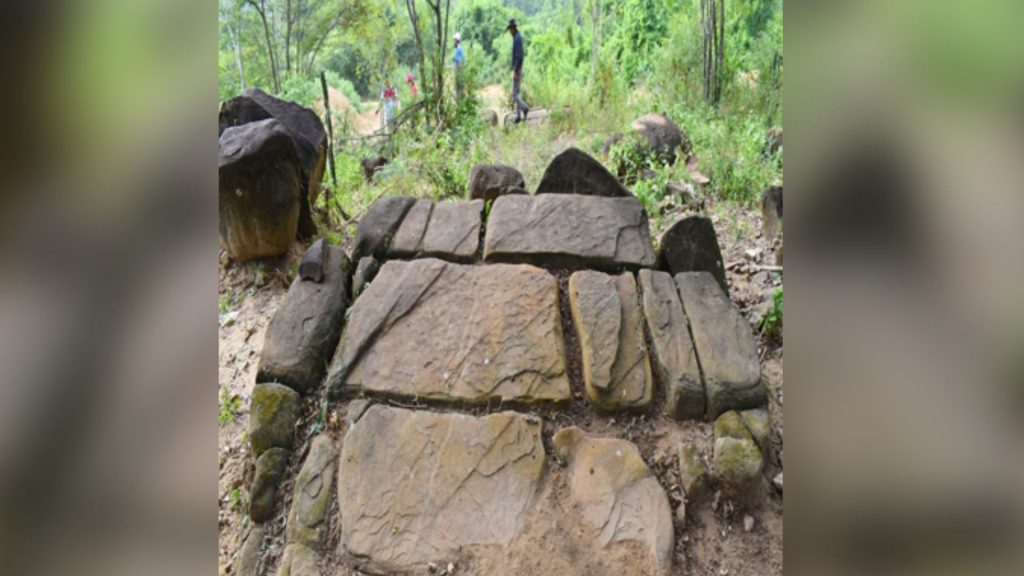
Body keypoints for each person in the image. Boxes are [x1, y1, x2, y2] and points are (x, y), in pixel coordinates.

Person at [506, 19, 529, 123]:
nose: (510, 32)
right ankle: (518, 116)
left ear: (513, 28)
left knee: (514, 94)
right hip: (518, 68)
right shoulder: (517, 38)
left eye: (510, 29)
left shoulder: (517, 39)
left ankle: (524, 108)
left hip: (518, 68)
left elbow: (519, 57)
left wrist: (515, 70)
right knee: (517, 92)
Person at [452, 32, 465, 99]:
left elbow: (458, 62)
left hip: (459, 73)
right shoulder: (458, 49)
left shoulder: (459, 49)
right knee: (459, 90)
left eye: (454, 40)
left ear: (457, 41)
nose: (453, 42)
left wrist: (457, 73)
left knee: (459, 90)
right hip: (459, 72)